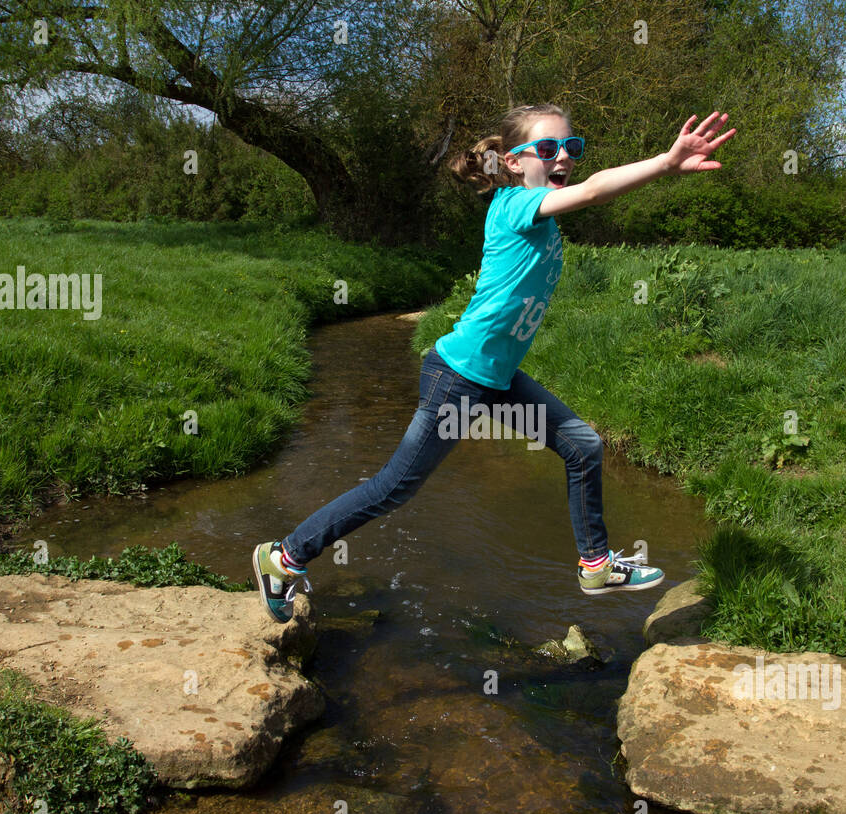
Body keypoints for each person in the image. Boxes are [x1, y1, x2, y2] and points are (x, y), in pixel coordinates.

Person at [254, 102, 736, 621]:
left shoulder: (541, 217)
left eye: (570, 148)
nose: (563, 158)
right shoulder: (511, 206)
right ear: (511, 163)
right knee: (394, 488)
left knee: (583, 446)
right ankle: (282, 557)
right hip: (458, 380)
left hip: (497, 380)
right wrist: (665, 163)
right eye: (548, 149)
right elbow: (595, 189)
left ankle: (595, 564)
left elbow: (585, 189)